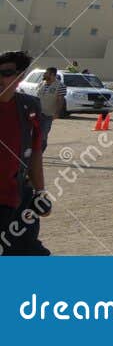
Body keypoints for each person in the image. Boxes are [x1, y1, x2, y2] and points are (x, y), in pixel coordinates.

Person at [0, 51, 49, 255]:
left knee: (30, 253)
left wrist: (40, 192)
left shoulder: (29, 107)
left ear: (20, 76)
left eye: (6, 73)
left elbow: (36, 153)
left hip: (19, 198)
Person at [36, 67, 65, 151]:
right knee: (34, 135)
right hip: (36, 114)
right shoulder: (41, 84)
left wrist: (57, 113)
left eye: (46, 73)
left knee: (43, 136)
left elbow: (60, 100)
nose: (44, 74)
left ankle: (39, 155)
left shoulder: (60, 86)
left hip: (48, 115)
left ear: (52, 75)